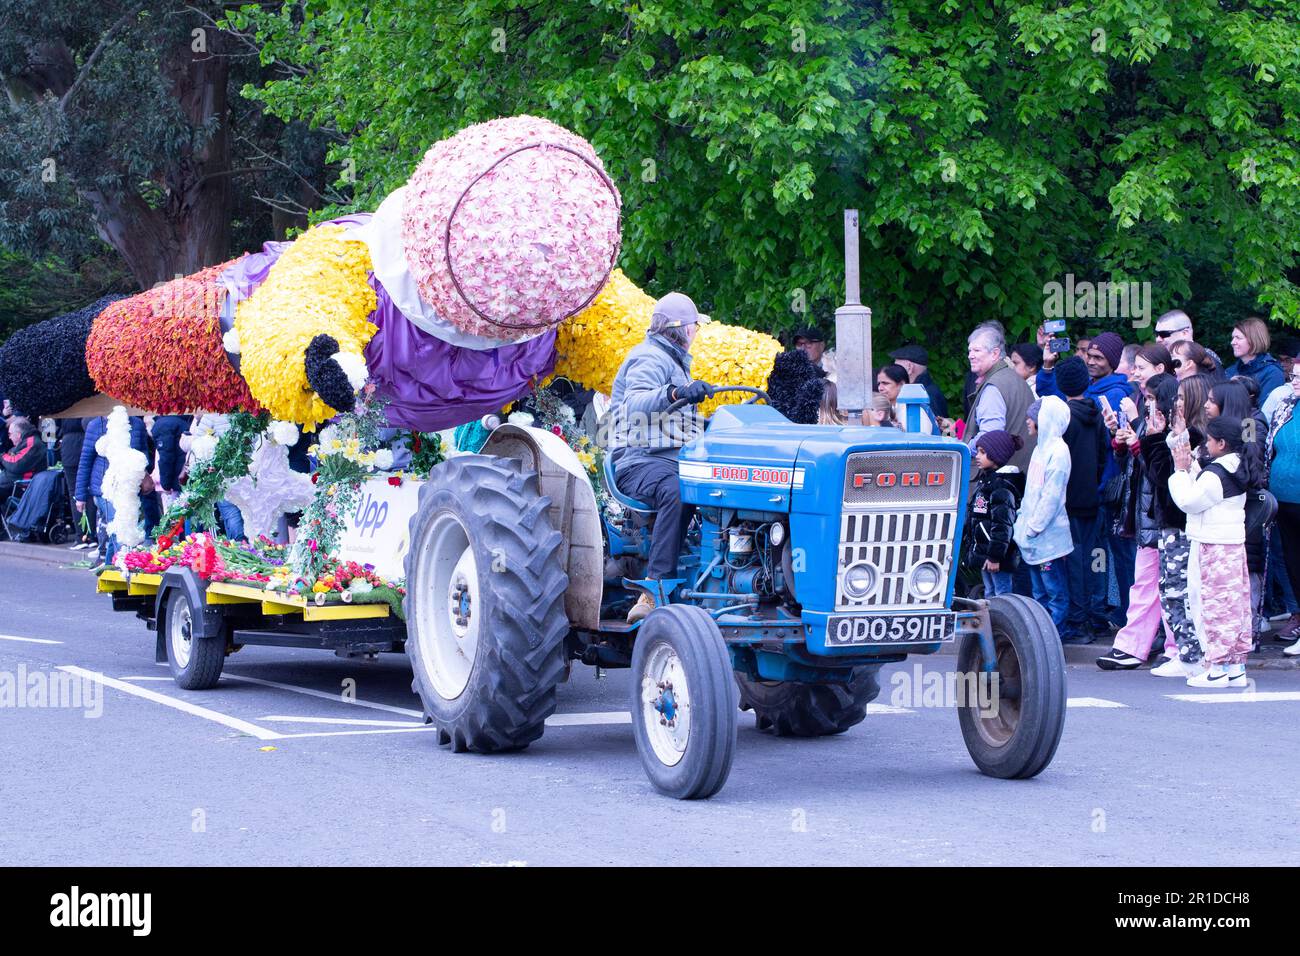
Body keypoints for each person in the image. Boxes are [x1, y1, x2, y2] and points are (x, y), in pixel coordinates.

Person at [610, 292, 711, 623]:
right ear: (682, 329)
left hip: (669, 459)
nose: (697, 333)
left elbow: (680, 424)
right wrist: (675, 392)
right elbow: (635, 404)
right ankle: (653, 588)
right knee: (678, 489)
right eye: (696, 327)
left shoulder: (675, 362)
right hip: (636, 461)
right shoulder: (650, 358)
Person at [1170, 416, 1252, 686]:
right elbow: (1204, 490)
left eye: (1209, 440)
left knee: (1210, 606)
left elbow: (1188, 501)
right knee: (1235, 607)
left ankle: (1216, 669)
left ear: (1222, 443)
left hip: (1211, 546)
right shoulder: (1237, 466)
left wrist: (1180, 471)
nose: (1206, 444)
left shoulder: (1216, 474)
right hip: (1232, 544)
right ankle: (1235, 668)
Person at [1134, 374, 1203, 676]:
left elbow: (1165, 477)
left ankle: (1192, 654)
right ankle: (1183, 652)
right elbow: (1155, 475)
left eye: (1180, 401)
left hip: (1182, 523)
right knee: (1169, 587)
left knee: (1180, 590)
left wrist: (1154, 439)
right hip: (1167, 522)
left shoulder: (1194, 437)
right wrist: (1152, 439)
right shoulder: (1174, 434)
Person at [1055, 357, 1108, 643]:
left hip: (1069, 499)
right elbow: (1102, 454)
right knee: (1092, 558)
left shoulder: (1063, 417)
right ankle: (1095, 615)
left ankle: (1078, 622)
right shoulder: (1095, 413)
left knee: (1073, 562)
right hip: (1091, 495)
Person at [1012, 398, 1072, 635]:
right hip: (1032, 537)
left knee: (1054, 590)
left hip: (1048, 536)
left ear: (1044, 420)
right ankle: (1042, 635)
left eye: (1032, 417)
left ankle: (1054, 637)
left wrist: (1034, 526)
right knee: (1039, 592)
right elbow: (1032, 493)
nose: (1028, 421)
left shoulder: (1058, 451)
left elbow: (1052, 496)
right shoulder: (1039, 448)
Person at [965, 324, 1035, 471]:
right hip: (1018, 474)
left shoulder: (994, 387)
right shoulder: (1013, 377)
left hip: (997, 481)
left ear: (995, 354)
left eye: (977, 350)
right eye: (970, 350)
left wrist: (962, 449)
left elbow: (988, 438)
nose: (970, 355)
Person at [964, 430, 1025, 597]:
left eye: (983, 452)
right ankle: (991, 622)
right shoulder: (987, 481)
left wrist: (995, 557)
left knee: (1002, 594)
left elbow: (1002, 526)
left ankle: (1002, 623)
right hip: (985, 554)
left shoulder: (1002, 486)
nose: (977, 455)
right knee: (990, 592)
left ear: (996, 455)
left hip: (996, 558)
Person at [1266, 362, 1300, 654]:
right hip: (1284, 503)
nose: (1295, 382)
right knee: (1293, 564)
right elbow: (1270, 446)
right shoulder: (1286, 406)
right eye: (1294, 376)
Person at [1224, 316, 1285, 399]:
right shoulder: (1230, 371)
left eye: (1238, 338)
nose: (1232, 342)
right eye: (1233, 338)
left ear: (1253, 340)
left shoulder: (1272, 374)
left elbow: (1264, 410)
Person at [0, 418, 48, 516]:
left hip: (20, 487)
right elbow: (11, 459)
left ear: (18, 434)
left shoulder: (33, 443)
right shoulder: (24, 442)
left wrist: (2, 456)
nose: (9, 437)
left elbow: (16, 464)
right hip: (10, 484)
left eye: (10, 434)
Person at [888, 344, 949, 418]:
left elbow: (937, 426)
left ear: (909, 367)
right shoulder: (923, 390)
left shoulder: (927, 395)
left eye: (897, 367)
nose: (894, 371)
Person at [876, 362, 934, 434]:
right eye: (879, 384)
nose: (880, 388)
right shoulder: (891, 408)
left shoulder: (915, 409)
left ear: (901, 384)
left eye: (885, 383)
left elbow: (921, 441)